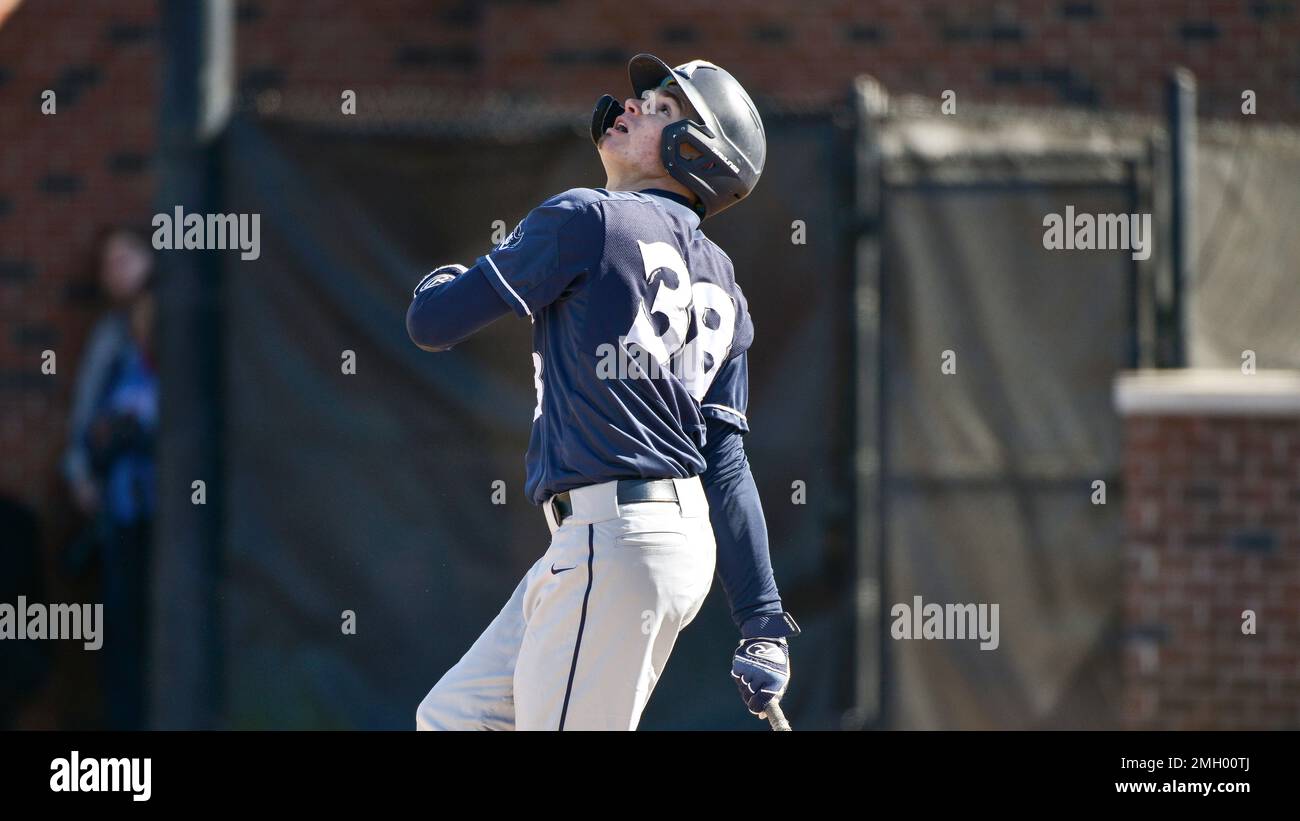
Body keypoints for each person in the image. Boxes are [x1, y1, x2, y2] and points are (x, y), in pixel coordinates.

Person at [407, 54, 799, 730]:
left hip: (613, 538)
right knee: (456, 717)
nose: (636, 103)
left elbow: (433, 322)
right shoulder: (723, 279)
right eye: (645, 95)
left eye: (665, 107)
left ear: (694, 151)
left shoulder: (589, 218)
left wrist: (439, 282)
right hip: (647, 542)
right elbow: (724, 463)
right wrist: (761, 619)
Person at [62, 227, 158, 730]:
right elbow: (86, 423)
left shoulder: (183, 339)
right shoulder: (109, 339)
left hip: (176, 522)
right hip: (122, 514)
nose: (115, 270)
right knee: (121, 636)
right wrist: (84, 473)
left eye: (126, 257)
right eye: (108, 262)